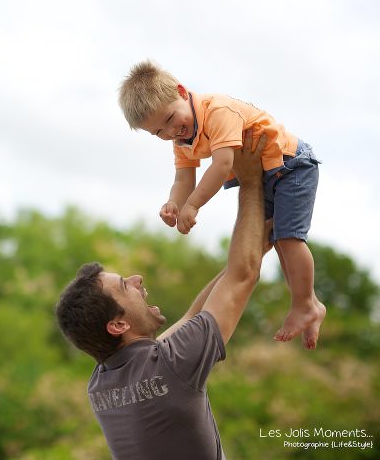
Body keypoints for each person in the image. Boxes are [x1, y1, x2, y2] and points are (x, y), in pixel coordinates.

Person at [55, 131, 267, 460]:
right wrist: (252, 182)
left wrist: (254, 246)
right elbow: (244, 274)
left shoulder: (102, 383)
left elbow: (192, 319)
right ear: (117, 325)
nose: (137, 279)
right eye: (125, 285)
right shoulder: (172, 363)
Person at [117, 60, 325, 349]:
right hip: (265, 173)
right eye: (158, 132)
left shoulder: (217, 111)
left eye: (169, 119)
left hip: (290, 165)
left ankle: (303, 304)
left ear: (181, 92)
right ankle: (310, 303)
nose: (170, 132)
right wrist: (174, 203)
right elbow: (183, 178)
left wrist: (193, 206)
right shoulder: (182, 140)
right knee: (276, 240)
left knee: (289, 239)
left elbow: (224, 163)